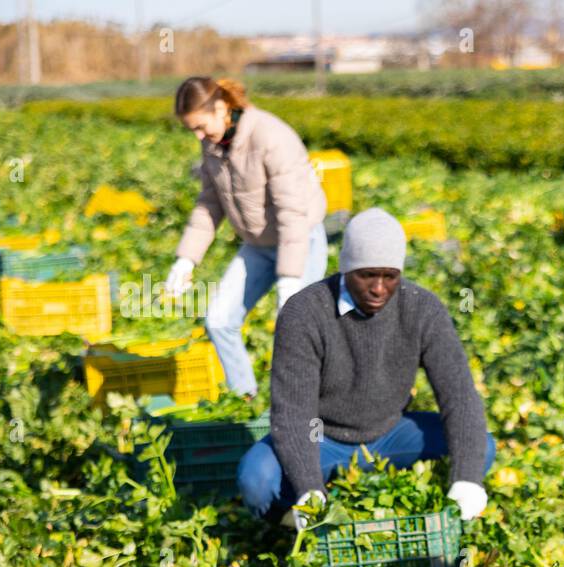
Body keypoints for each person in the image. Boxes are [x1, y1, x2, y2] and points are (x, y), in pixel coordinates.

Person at [237, 207, 495, 528]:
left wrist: (467, 479)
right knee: (257, 479)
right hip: (322, 437)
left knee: (480, 446)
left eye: (390, 276)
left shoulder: (422, 308)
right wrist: (308, 487)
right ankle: (306, 525)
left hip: (391, 434)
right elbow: (292, 412)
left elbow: (459, 395)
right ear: (346, 268)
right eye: (367, 275)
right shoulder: (305, 312)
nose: (378, 288)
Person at [165, 76, 329, 399]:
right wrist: (185, 259)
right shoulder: (213, 144)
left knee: (298, 333)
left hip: (299, 241)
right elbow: (210, 203)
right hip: (257, 245)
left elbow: (292, 211)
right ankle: (247, 402)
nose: (199, 136)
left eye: (201, 126)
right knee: (219, 320)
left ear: (222, 108)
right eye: (192, 130)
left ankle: (315, 411)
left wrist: (290, 278)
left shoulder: (270, 137)